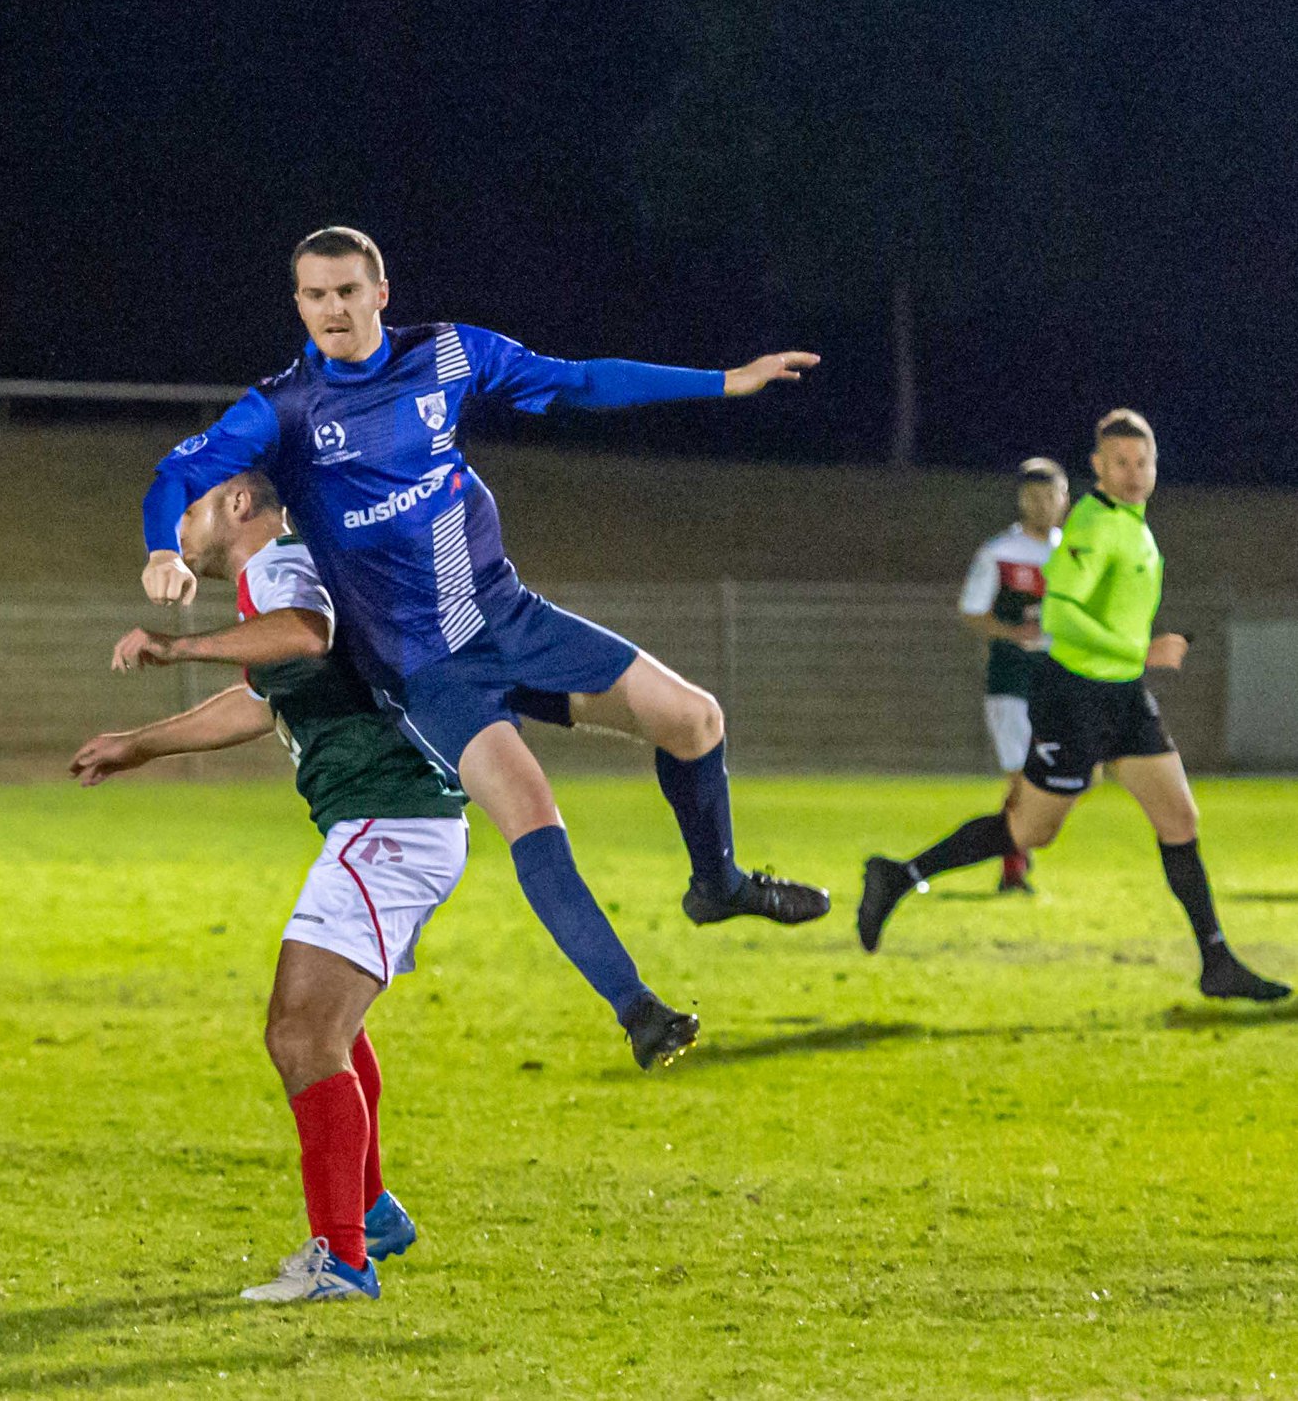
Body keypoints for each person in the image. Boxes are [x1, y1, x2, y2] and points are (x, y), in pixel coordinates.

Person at [138, 227, 830, 1070]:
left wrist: (726, 381)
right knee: (531, 813)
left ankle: (716, 885)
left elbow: (579, 383)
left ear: (380, 293)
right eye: (316, 296)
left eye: (348, 291)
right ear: (299, 305)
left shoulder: (450, 356)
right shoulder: (283, 410)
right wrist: (162, 549)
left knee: (694, 720)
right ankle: (638, 1010)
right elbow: (176, 473)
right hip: (421, 668)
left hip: (504, 617)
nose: (333, 310)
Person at [74, 472, 466, 1302]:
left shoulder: (280, 571)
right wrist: (140, 745)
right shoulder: (282, 583)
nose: (178, 525)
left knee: (299, 1034)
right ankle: (370, 1213)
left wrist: (177, 646)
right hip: (386, 822)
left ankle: (342, 1258)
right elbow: (257, 700)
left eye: (192, 507)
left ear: (240, 508)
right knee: (327, 1025)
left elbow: (304, 634)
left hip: (389, 822)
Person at [859, 410, 1288, 1001]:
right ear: (1098, 468)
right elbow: (1060, 617)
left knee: (1180, 821)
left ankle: (1216, 961)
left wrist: (1133, 660)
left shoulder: (1136, 526)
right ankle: (897, 876)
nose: (1134, 473)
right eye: (1121, 463)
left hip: (1123, 699)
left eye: (1143, 462)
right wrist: (1143, 649)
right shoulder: (1092, 524)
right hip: (1075, 699)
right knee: (1030, 831)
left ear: (1155, 465)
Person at [956, 457, 1070, 891]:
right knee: (1022, 778)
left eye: (1050, 495)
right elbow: (971, 612)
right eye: (1034, 496)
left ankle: (1016, 846)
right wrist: (1012, 632)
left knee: (1073, 775)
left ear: (1065, 499)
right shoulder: (999, 552)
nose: (1042, 505)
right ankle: (1011, 868)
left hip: (1062, 678)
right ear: (1022, 500)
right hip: (1012, 679)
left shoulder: (1074, 553)